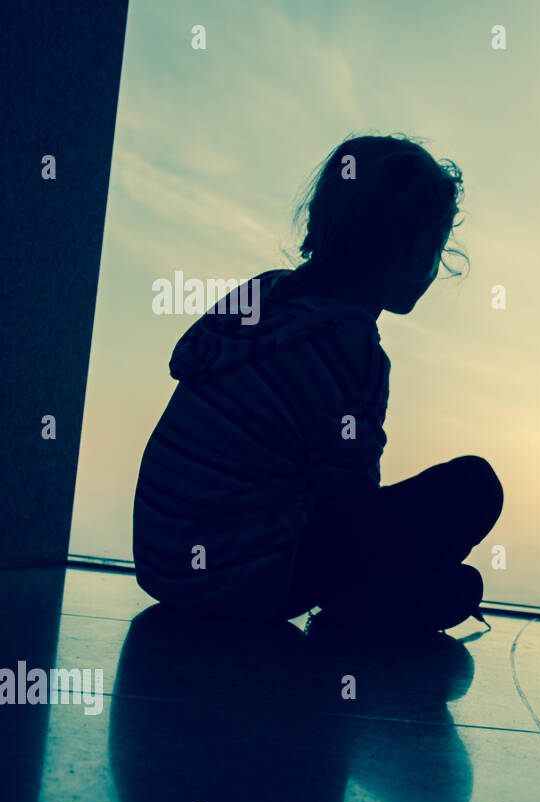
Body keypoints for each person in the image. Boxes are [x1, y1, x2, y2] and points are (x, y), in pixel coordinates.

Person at [132, 135, 502, 630]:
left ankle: (396, 597)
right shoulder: (349, 350)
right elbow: (349, 505)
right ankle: (371, 607)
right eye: (436, 248)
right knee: (473, 488)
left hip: (164, 565)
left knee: (444, 581)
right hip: (243, 582)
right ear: (414, 255)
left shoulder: (265, 296)